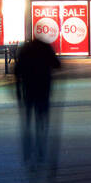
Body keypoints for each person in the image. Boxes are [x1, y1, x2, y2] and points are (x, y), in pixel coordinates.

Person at [14, 36, 61, 172]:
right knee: (41, 121)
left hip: (28, 90)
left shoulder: (25, 50)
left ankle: (29, 151)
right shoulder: (45, 48)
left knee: (28, 121)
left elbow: (17, 71)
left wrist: (17, 90)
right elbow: (57, 65)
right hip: (43, 90)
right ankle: (40, 149)